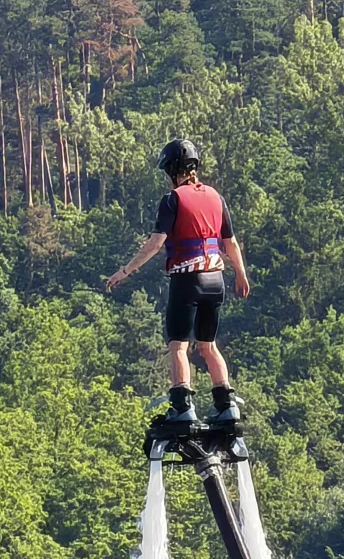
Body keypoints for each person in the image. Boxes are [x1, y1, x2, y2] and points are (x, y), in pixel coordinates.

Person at [106, 137, 251, 427]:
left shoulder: (172, 200)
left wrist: (126, 270)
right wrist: (241, 273)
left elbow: (155, 244)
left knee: (179, 346)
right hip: (216, 280)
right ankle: (226, 406)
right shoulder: (215, 196)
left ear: (173, 170)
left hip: (189, 280)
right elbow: (230, 242)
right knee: (208, 345)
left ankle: (182, 406)